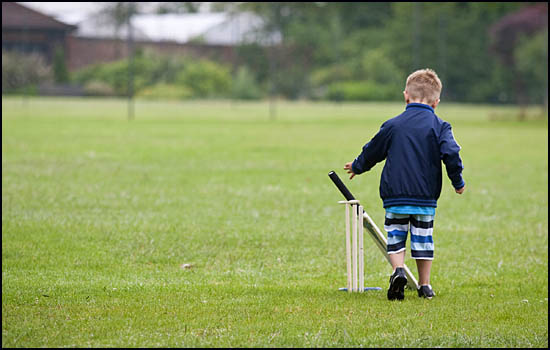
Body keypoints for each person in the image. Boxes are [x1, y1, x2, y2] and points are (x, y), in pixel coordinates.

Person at [343, 68, 465, 300]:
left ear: (406, 96)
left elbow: (373, 150)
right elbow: (451, 153)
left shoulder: (393, 125)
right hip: (425, 196)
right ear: (436, 102)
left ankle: (398, 270)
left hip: (395, 195)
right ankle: (425, 285)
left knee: (396, 236)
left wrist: (358, 167)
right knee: (423, 238)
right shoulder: (440, 126)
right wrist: (457, 181)